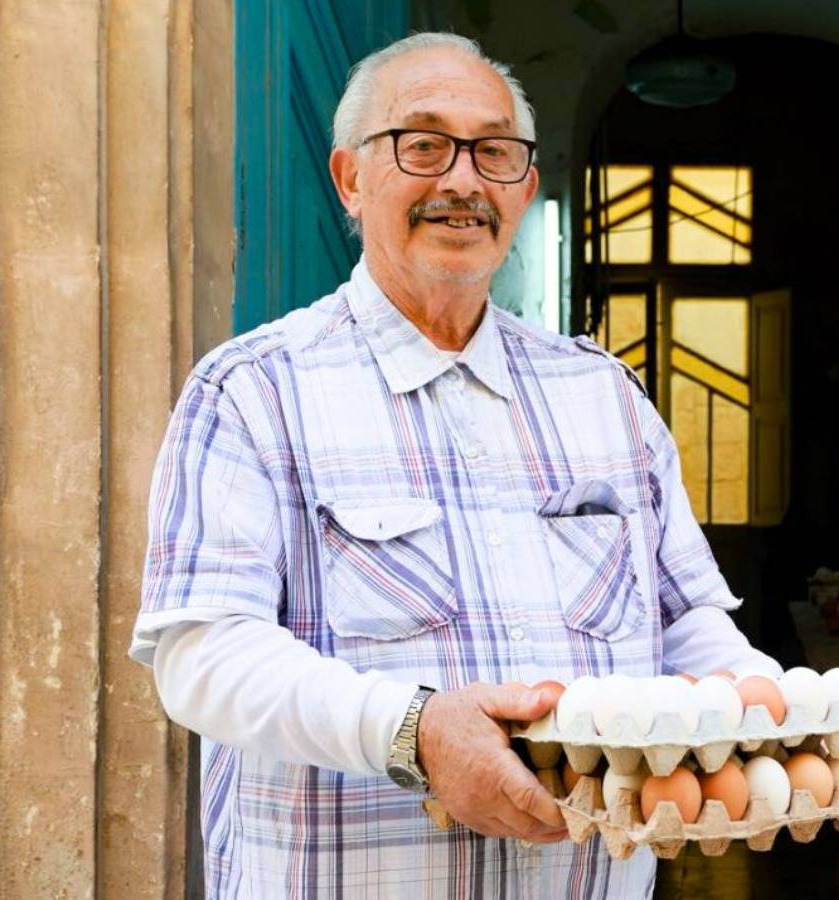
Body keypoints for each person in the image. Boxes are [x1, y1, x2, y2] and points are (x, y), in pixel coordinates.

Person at [129, 31, 781, 898]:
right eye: (424, 144)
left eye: (495, 151)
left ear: (526, 188)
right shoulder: (254, 391)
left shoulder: (605, 397)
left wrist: (755, 699)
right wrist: (416, 732)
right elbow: (204, 657)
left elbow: (685, 620)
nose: (464, 181)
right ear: (350, 179)